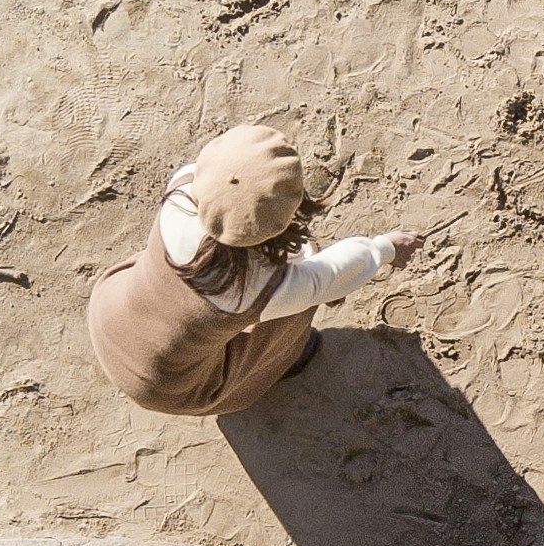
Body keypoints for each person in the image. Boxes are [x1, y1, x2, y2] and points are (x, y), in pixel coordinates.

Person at [87, 120, 423, 416]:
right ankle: (282, 360)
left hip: (110, 314)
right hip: (166, 383)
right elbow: (332, 275)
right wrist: (387, 247)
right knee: (294, 306)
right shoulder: (258, 287)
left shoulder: (182, 188)